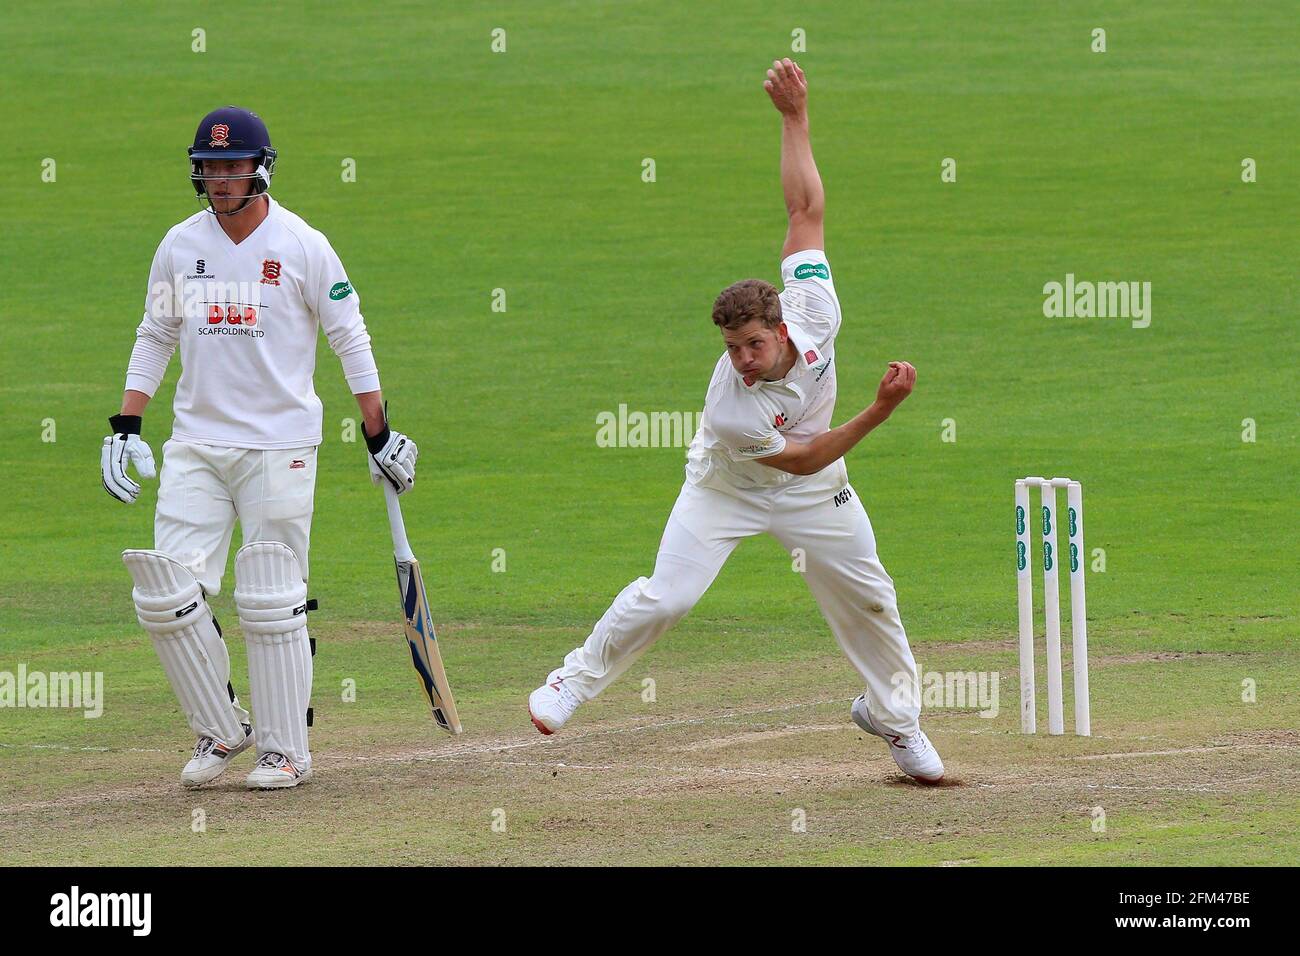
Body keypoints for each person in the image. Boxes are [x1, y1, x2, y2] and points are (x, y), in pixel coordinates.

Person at [528, 60, 943, 783]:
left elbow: (804, 210)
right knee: (672, 595)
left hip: (814, 490)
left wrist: (794, 117)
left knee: (872, 598)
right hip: (731, 486)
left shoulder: (815, 307)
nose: (745, 359)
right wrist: (881, 409)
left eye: (753, 344)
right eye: (732, 348)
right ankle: (571, 680)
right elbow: (803, 458)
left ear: (781, 326)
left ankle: (893, 720)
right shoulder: (731, 407)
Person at [102, 106, 418, 789]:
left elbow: (349, 335)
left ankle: (285, 751)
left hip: (281, 445)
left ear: (260, 168)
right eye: (209, 167)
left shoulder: (303, 244)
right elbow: (155, 334)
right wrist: (126, 424)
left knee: (272, 597)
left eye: (231, 166)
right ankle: (221, 729)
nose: (219, 179)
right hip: (196, 441)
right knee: (165, 591)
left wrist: (379, 432)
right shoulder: (179, 245)